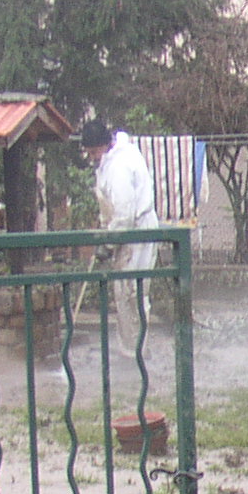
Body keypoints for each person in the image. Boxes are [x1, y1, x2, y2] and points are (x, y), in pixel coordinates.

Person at [80, 119, 160, 341]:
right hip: (129, 231)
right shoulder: (113, 160)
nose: (92, 156)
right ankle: (133, 347)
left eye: (94, 151)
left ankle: (136, 351)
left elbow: (124, 213)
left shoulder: (119, 166)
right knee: (126, 292)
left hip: (135, 232)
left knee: (131, 293)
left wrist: (107, 244)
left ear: (104, 145)